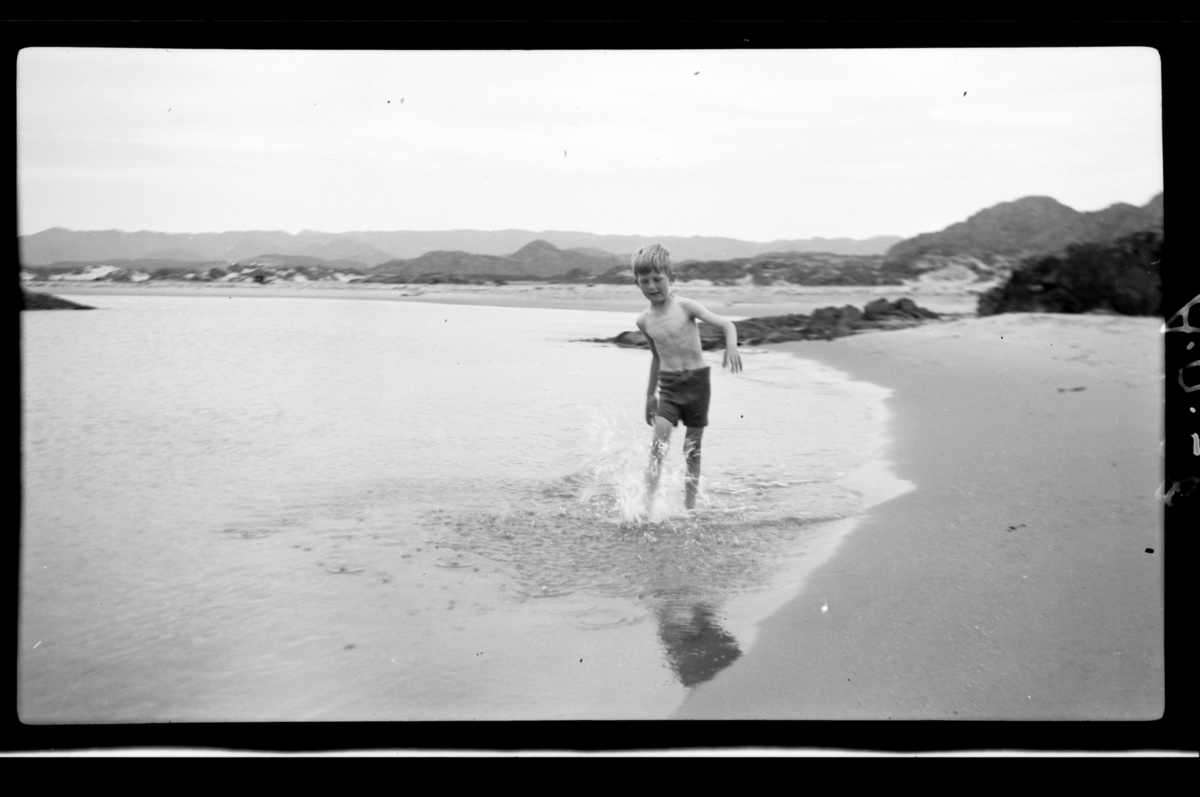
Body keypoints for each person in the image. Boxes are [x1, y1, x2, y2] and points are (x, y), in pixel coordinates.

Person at [633, 244, 742, 513]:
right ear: (636, 283)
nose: (651, 286)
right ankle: (645, 509)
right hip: (668, 388)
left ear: (671, 278)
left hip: (697, 385)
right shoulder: (644, 321)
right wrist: (650, 394)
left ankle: (689, 509)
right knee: (658, 446)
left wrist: (731, 346)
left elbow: (727, 325)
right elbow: (657, 357)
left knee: (692, 452)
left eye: (657, 279)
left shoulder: (686, 307)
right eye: (644, 281)